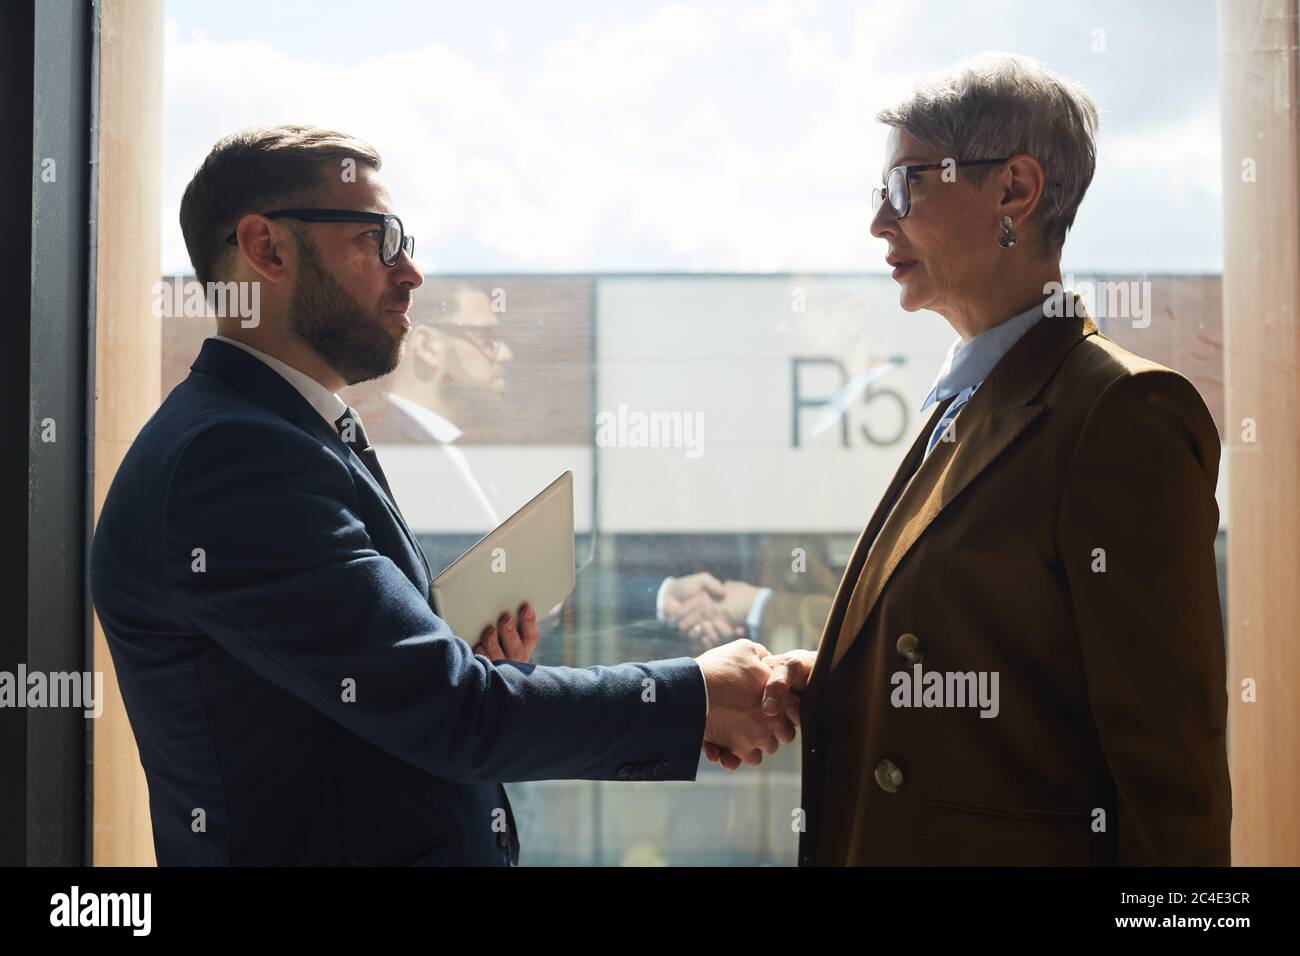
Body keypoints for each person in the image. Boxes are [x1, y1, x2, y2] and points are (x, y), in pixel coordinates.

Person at [89, 125, 797, 866]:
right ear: (267, 248)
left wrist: (454, 653)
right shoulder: (233, 457)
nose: (412, 272)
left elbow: (367, 691)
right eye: (380, 239)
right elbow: (450, 710)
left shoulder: (277, 435)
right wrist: (692, 697)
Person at [729, 53, 1232, 865]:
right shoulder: (975, 395)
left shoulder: (1122, 411)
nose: (879, 224)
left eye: (909, 185)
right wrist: (842, 678)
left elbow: (1170, 767)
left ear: (1014, 192)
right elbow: (1005, 664)